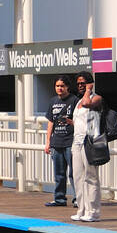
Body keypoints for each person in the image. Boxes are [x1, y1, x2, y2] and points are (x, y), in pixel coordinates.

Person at [70, 72, 104, 222]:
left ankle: (93, 212)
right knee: (78, 177)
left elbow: (87, 104)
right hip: (77, 142)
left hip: (90, 141)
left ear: (90, 83)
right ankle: (81, 209)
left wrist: (89, 91)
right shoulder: (77, 102)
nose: (80, 86)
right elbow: (80, 120)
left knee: (91, 177)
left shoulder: (96, 98)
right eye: (78, 84)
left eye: (83, 83)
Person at [43, 76, 77, 206]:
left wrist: (70, 122)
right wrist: (48, 142)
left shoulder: (74, 100)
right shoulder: (53, 101)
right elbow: (50, 122)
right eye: (57, 86)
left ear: (67, 86)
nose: (60, 88)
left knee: (74, 174)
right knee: (59, 173)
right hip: (56, 141)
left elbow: (79, 121)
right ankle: (59, 199)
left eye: (62, 86)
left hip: (70, 141)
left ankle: (77, 199)